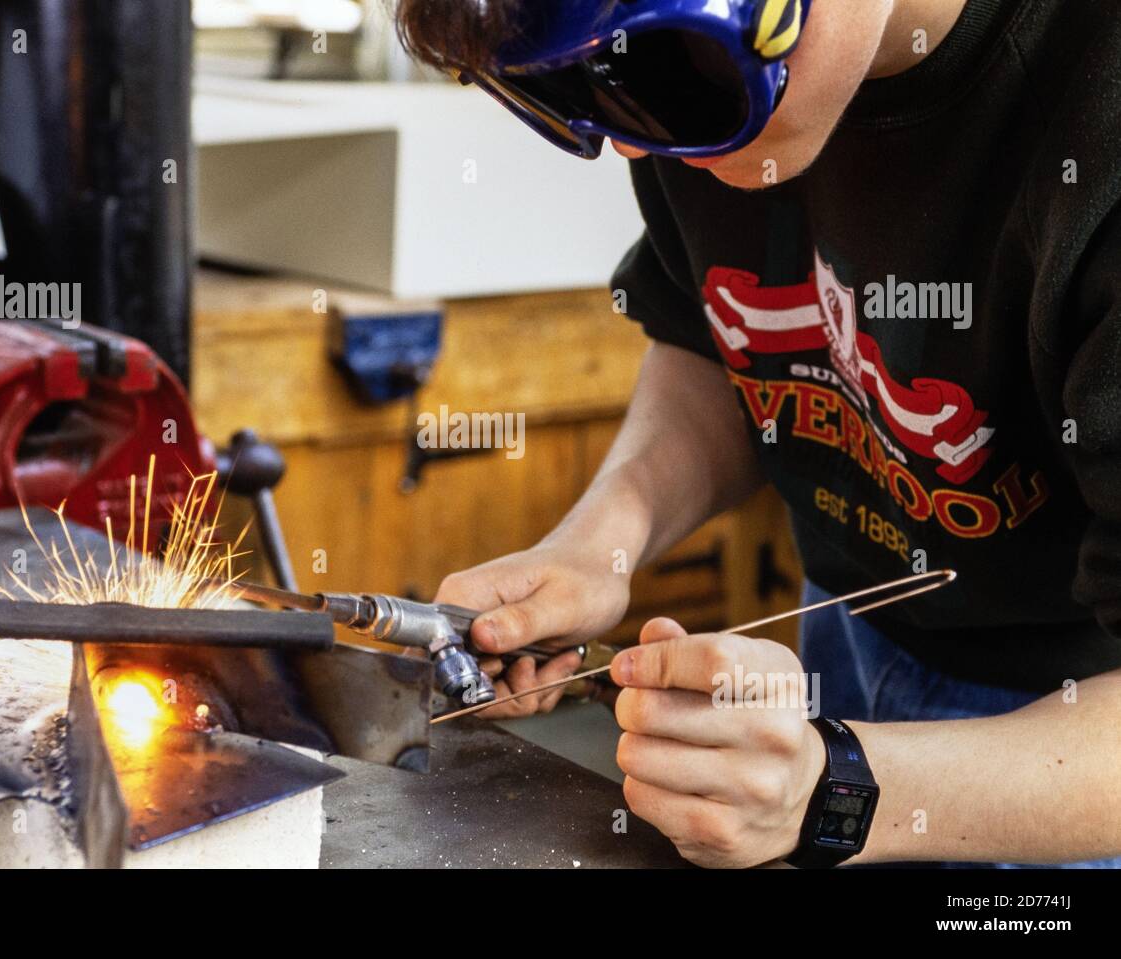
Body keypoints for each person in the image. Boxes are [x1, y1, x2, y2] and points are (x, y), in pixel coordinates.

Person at [393, 0, 1121, 867]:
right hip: (851, 638)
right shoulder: (692, 82)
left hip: (1075, 756)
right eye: (569, 94)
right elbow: (733, 336)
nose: (633, 144)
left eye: (669, 74)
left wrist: (839, 787)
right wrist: (604, 542)